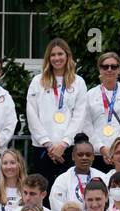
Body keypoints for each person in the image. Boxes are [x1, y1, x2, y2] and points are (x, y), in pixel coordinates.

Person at [25, 38, 88, 189]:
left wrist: (64, 143)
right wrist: (48, 144)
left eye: (60, 54)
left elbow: (79, 116)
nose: (57, 58)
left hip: (68, 148)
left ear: (67, 56)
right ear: (48, 58)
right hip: (43, 148)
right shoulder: (37, 81)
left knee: (67, 191)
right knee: (42, 192)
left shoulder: (78, 82)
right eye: (53, 55)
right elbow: (32, 114)